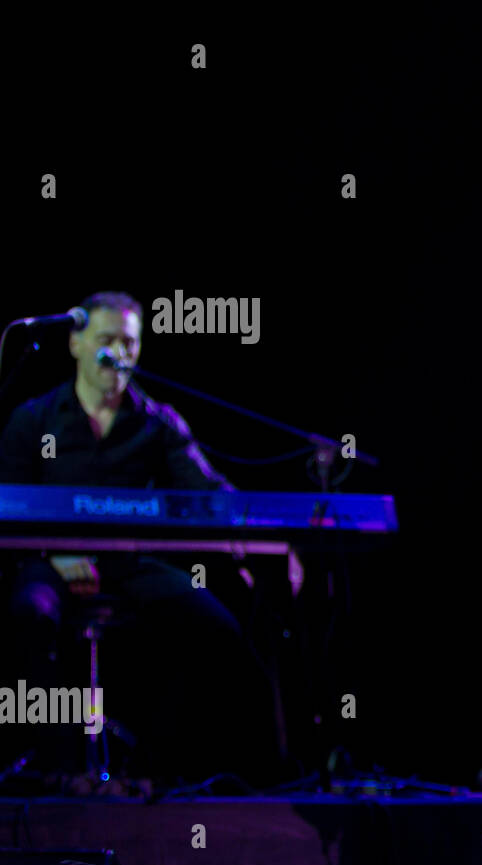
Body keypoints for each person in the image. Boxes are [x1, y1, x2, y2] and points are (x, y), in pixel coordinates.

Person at [0, 291, 277, 791]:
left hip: (129, 563)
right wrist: (56, 553)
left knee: (213, 625)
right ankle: (53, 761)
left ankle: (155, 765)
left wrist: (269, 532)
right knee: (29, 613)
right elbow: (9, 509)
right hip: (47, 560)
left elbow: (209, 493)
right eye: (106, 341)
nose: (118, 355)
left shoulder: (157, 421)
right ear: (76, 344)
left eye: (129, 343)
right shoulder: (33, 419)